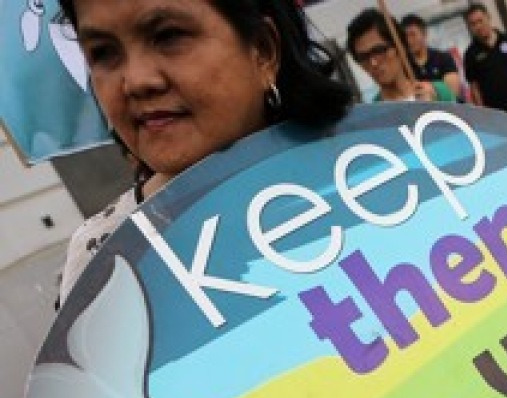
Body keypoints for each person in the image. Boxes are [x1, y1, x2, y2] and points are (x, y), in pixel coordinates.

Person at [59, 0, 353, 301]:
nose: (136, 81)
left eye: (168, 36)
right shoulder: (102, 258)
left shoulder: (376, 163)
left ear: (263, 50)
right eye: (102, 52)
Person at [346, 8, 422, 102]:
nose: (373, 63)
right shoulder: (372, 114)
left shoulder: (440, 92)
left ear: (400, 46)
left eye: (379, 51)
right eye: (363, 57)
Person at [399, 13, 462, 102]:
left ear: (424, 34)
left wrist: (433, 91)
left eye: (413, 34)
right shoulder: (403, 66)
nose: (409, 41)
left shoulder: (443, 58)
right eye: (405, 37)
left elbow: (453, 91)